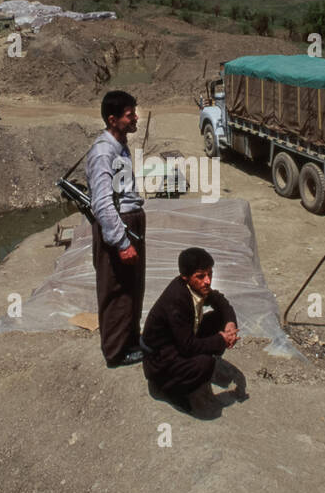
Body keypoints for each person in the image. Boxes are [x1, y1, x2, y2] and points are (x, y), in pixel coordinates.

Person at [141, 247, 240, 418]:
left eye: (210, 274)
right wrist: (220, 340)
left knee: (218, 318)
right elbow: (187, 346)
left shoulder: (196, 288)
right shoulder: (177, 299)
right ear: (185, 277)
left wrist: (230, 324)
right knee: (205, 363)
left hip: (178, 342)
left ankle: (190, 374)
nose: (207, 281)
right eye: (201, 276)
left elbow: (221, 303)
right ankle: (169, 389)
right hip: (160, 360)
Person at [87, 90, 146, 368]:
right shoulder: (103, 151)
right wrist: (122, 243)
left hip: (130, 222)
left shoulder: (120, 144)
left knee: (132, 287)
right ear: (112, 119)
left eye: (134, 112)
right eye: (129, 114)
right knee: (116, 290)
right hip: (118, 227)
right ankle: (116, 351)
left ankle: (131, 340)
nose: (135, 118)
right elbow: (101, 203)